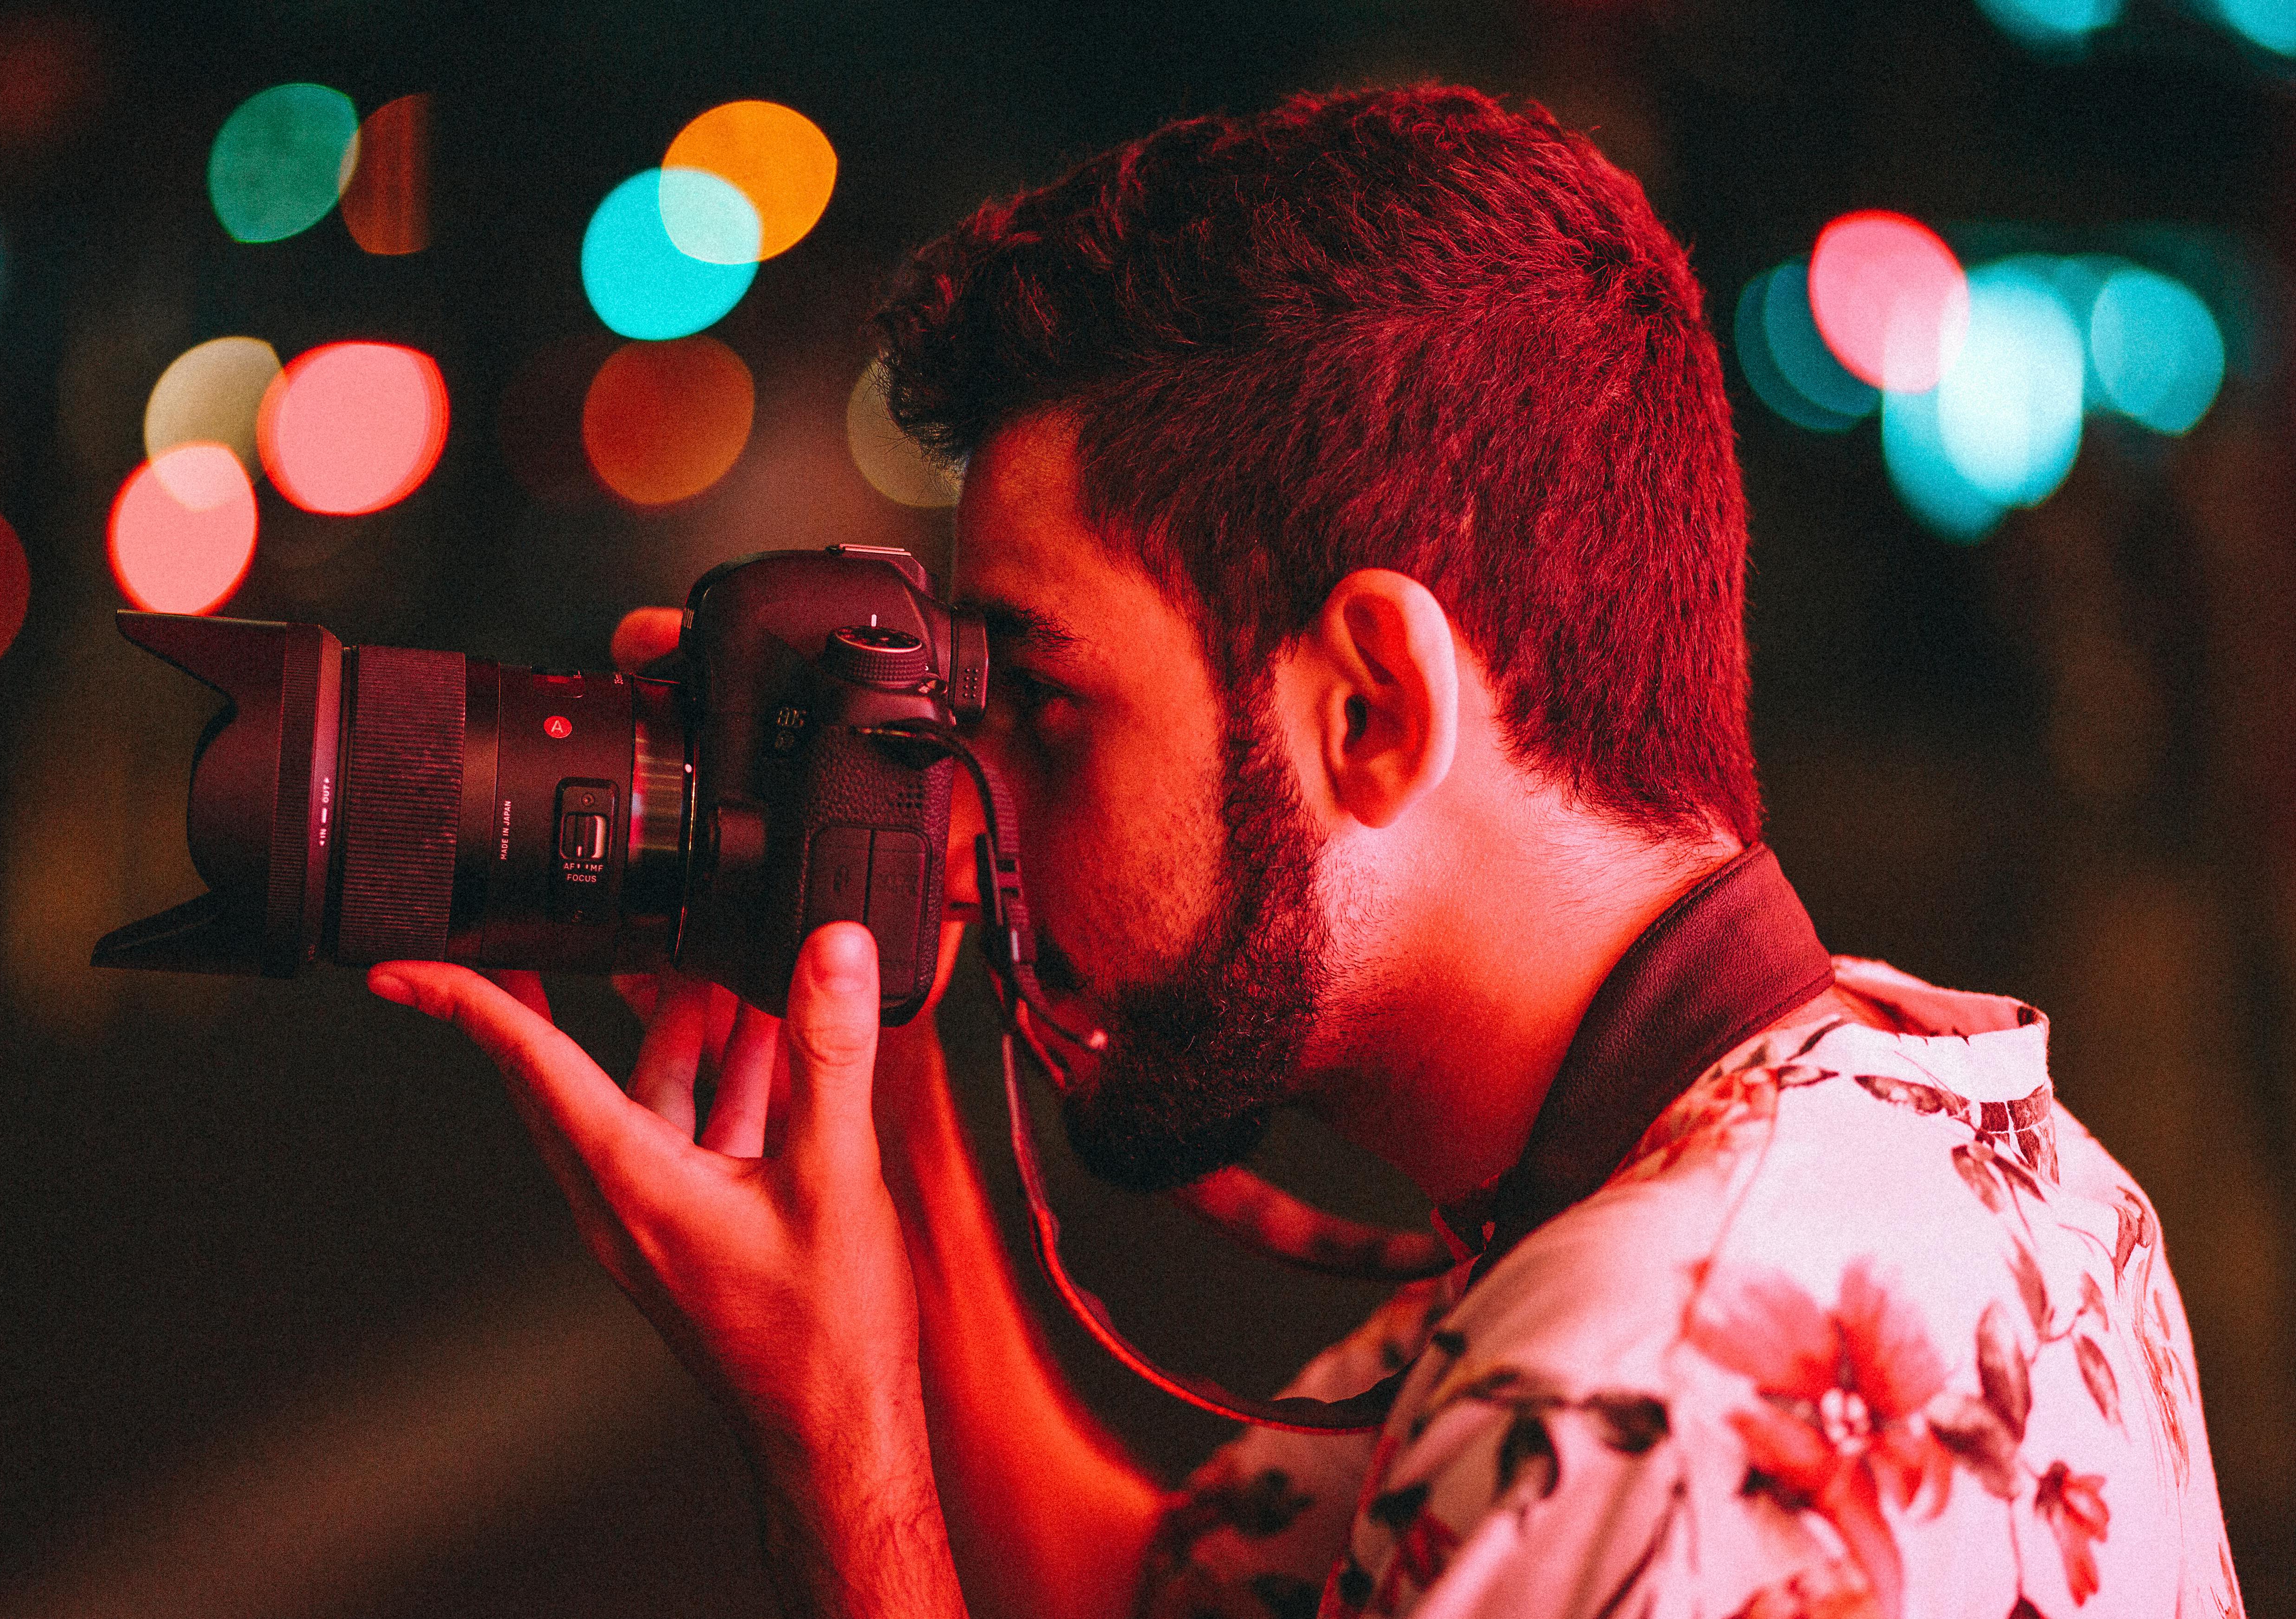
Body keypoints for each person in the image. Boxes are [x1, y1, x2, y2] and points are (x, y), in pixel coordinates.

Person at [368, 86, 2242, 1619]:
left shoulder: (1645, 1423)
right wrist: (885, 1084)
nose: (979, 797)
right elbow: (1156, 1596)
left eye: (1042, 703)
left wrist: (830, 1435)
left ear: (1370, 706)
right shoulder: (1901, 1116)